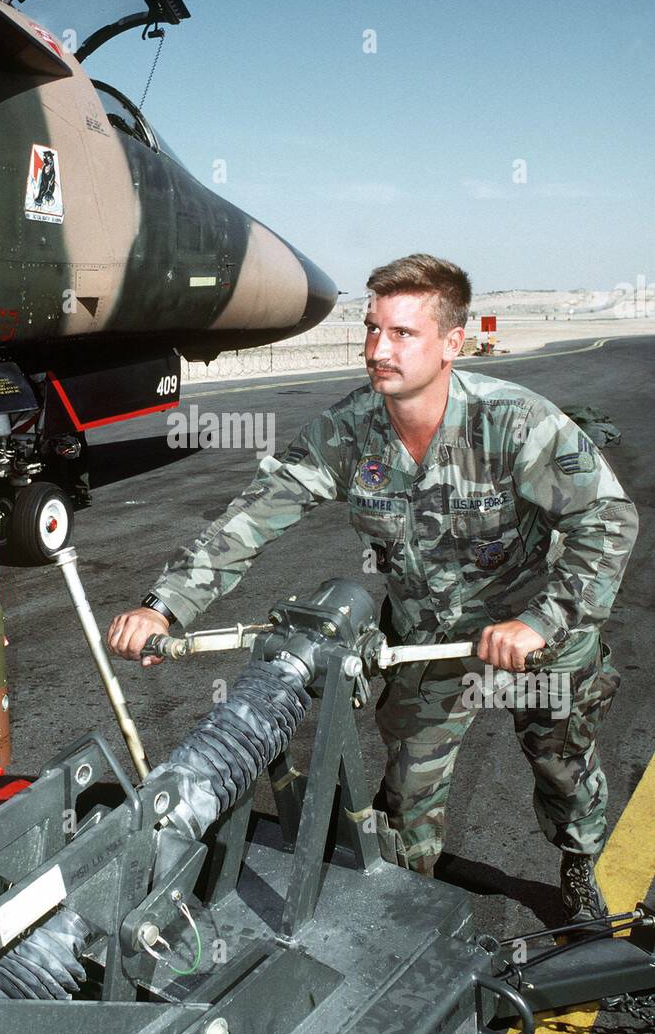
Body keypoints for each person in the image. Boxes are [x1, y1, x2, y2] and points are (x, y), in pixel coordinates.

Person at [107, 255, 638, 924]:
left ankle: (575, 866)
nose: (376, 350)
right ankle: (404, 905)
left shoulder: (514, 423)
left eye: (401, 333)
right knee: (408, 790)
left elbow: (607, 519)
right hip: (430, 645)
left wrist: (541, 620)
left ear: (452, 342)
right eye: (370, 329)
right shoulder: (349, 428)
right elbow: (252, 515)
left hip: (539, 640)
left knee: (562, 770)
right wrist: (165, 606)